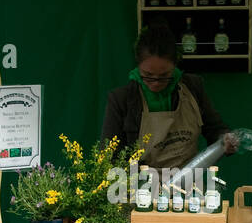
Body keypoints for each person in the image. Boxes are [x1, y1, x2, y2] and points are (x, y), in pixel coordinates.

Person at [100, 22, 238, 169]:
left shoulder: (193, 87)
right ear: (138, 65)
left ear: (175, 65)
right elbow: (110, 156)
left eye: (164, 75)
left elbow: (215, 129)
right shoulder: (122, 99)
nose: (156, 83)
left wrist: (225, 140)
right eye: (148, 75)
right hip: (140, 187)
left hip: (187, 184)